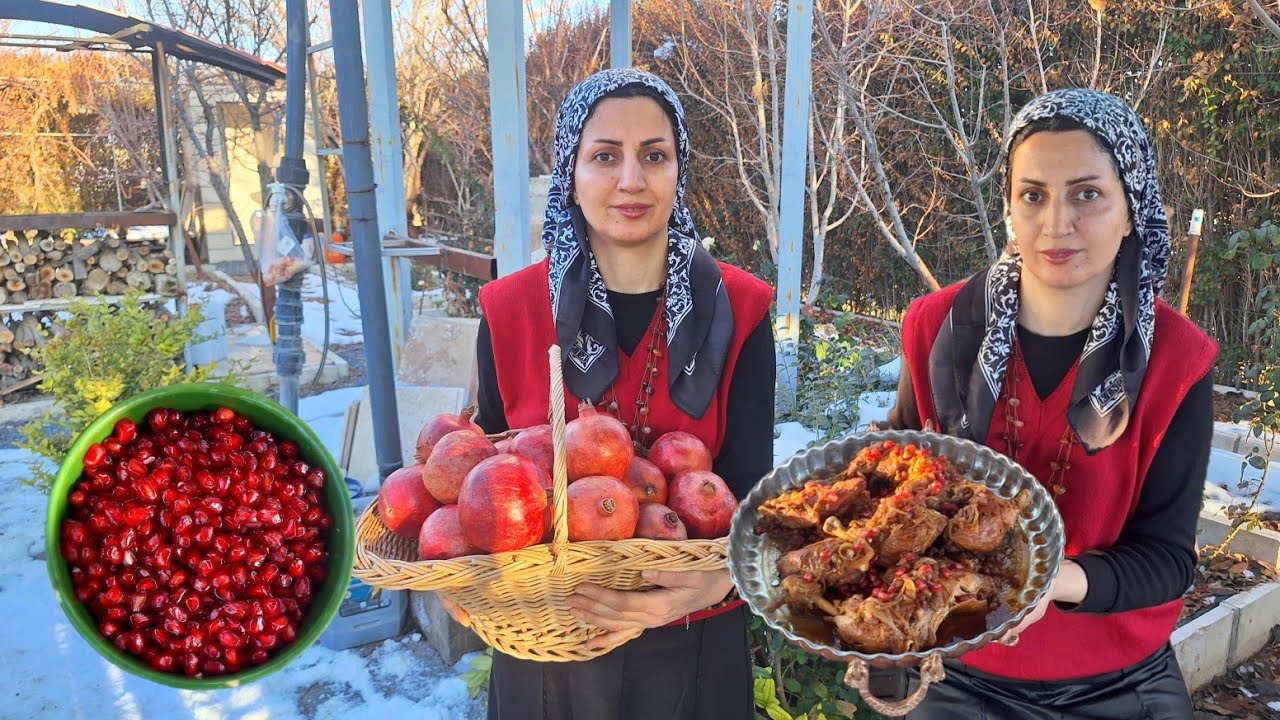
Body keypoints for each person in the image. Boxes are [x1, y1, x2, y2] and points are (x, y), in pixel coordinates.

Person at [882, 88, 1215, 719]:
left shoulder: (1174, 360)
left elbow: (1168, 560)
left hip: (1116, 687)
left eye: (1087, 194)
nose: (1056, 224)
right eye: (1033, 195)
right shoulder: (939, 330)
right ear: (1009, 206)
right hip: (957, 676)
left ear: (1131, 208)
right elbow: (898, 475)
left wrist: (1051, 582)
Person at [469, 68, 776, 720]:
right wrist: (463, 580)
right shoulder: (510, 310)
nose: (631, 179)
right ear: (570, 173)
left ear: (678, 170)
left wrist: (710, 585)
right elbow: (476, 481)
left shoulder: (739, 310)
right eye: (605, 155)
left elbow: (755, 499)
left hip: (694, 651)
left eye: (654, 155)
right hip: (547, 662)